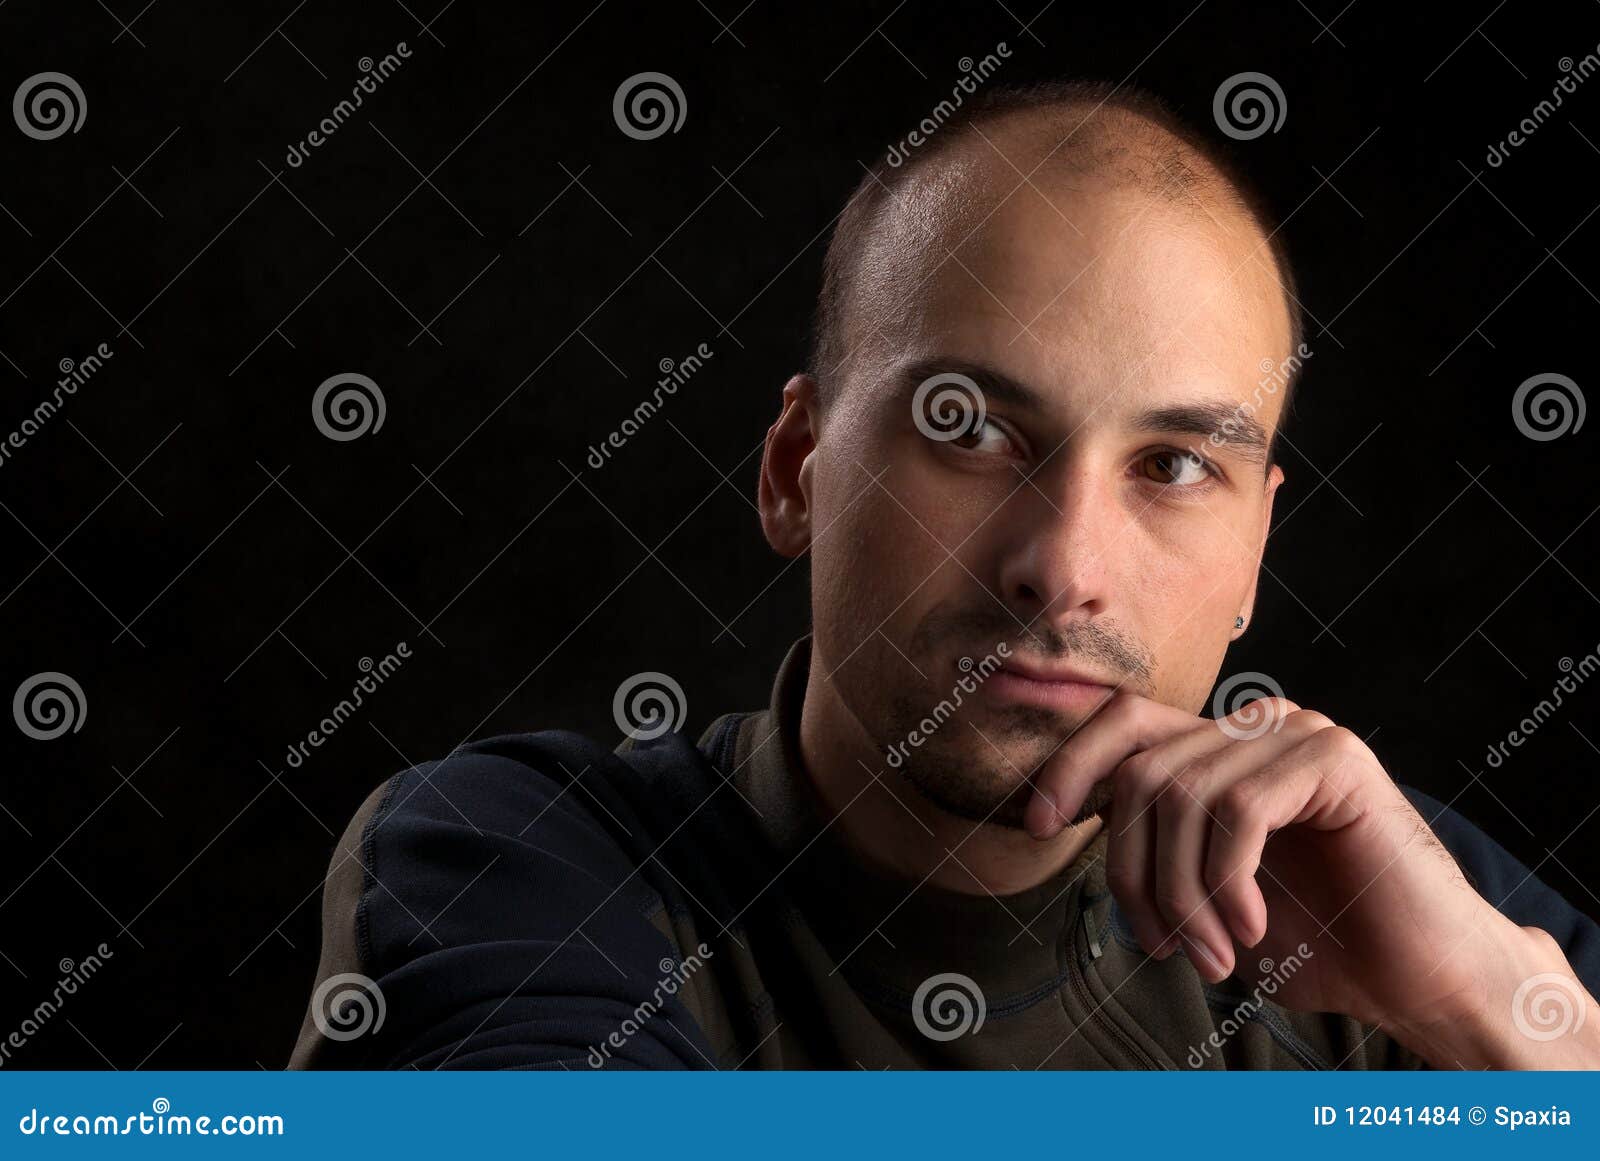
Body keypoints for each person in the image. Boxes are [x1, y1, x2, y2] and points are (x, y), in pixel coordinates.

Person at [289, 79, 1600, 1069]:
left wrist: (1501, 1019)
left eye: (1174, 465)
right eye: (969, 428)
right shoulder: (513, 861)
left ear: (1257, 544)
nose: (1061, 568)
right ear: (797, 467)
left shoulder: (1397, 892)